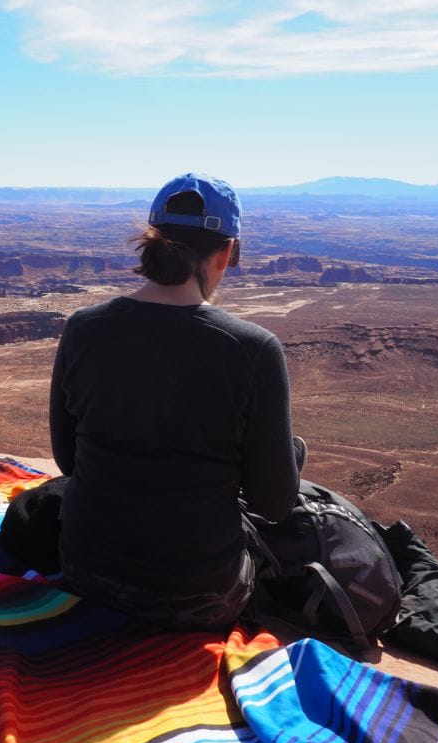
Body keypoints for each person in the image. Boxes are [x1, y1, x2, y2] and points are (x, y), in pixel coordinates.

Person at [48, 172, 303, 631]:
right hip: (199, 593)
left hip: (84, 570)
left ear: (151, 245)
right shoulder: (252, 348)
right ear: (226, 254)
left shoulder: (83, 327)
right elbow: (274, 503)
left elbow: (69, 461)